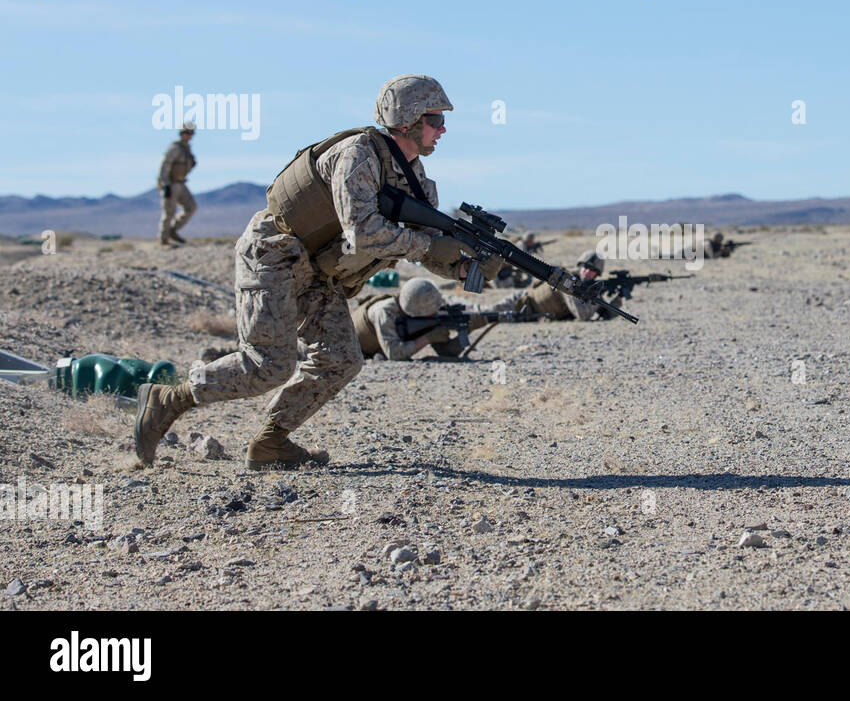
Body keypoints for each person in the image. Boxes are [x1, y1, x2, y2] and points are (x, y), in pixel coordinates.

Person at [132, 74, 502, 471]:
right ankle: (167, 399)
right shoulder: (358, 154)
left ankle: (271, 443)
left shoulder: (421, 187)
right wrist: (431, 247)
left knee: (342, 358)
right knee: (266, 366)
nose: (442, 129)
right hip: (274, 255)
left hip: (319, 273)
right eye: (434, 119)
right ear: (407, 118)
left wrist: (462, 265)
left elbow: (421, 245)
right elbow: (363, 232)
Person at [353, 277, 526, 360]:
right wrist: (428, 338)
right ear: (417, 311)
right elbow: (394, 354)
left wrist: (472, 325)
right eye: (431, 312)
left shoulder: (421, 309)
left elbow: (447, 353)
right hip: (355, 352)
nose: (435, 313)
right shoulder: (385, 312)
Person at [515, 250, 618, 321]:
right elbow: (582, 315)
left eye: (593, 270)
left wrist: (619, 298)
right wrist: (597, 297)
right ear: (580, 265)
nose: (587, 271)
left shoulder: (589, 288)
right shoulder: (567, 280)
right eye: (586, 267)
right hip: (520, 301)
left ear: (597, 274)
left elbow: (607, 314)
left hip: (531, 314)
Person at [157, 122, 198, 245]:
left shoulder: (187, 149)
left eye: (191, 133)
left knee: (191, 207)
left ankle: (172, 230)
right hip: (171, 184)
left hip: (181, 183)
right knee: (169, 212)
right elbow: (165, 166)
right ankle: (163, 239)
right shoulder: (175, 148)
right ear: (181, 133)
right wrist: (166, 184)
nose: (188, 135)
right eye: (186, 133)